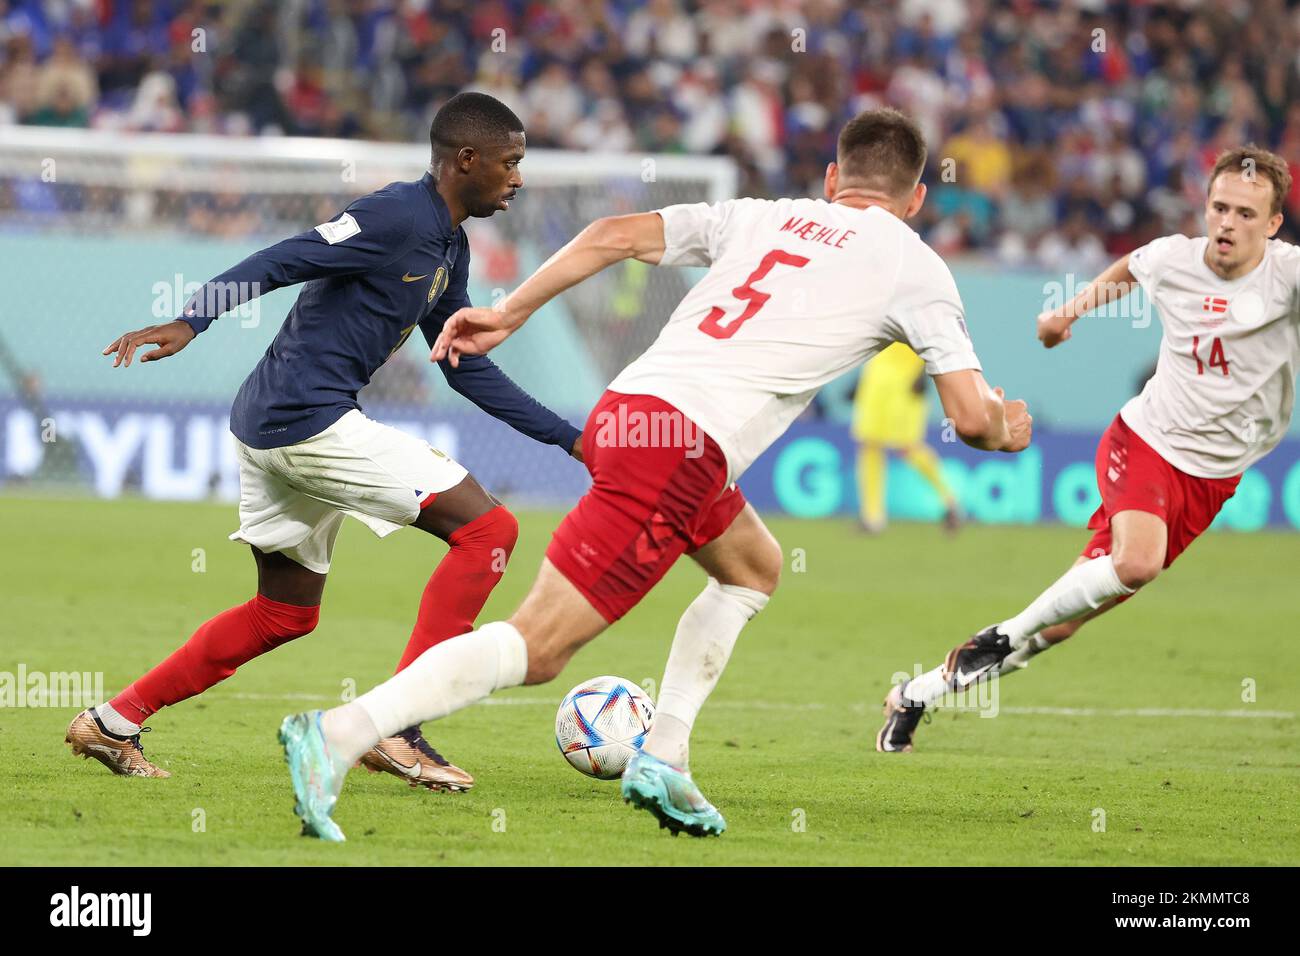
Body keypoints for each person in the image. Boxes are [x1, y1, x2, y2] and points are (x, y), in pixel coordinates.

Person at [278, 107, 1032, 841]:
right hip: (680, 447)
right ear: (918, 199)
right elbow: (970, 419)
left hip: (630, 413)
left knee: (752, 567)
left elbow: (612, 234)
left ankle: (663, 758)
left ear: (833, 178)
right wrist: (1007, 426)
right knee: (539, 648)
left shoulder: (763, 215)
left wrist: (509, 311)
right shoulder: (917, 266)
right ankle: (341, 731)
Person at [66, 93, 582, 792]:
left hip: (271, 421)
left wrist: (571, 440)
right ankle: (397, 725)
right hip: (305, 420)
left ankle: (113, 722)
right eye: (510, 162)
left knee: (283, 614)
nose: (518, 177)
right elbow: (285, 257)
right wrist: (195, 320)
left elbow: (463, 368)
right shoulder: (396, 215)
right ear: (467, 160)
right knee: (488, 529)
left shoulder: (447, 246)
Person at [878, 145, 1300, 752]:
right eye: (1219, 208)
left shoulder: (1285, 277)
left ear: (1273, 224)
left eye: (1245, 214)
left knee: (1061, 624)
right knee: (1136, 563)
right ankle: (1000, 634)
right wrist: (1066, 315)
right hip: (1146, 443)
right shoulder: (1175, 260)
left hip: (1212, 481)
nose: (1228, 224)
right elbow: (1130, 267)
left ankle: (916, 695)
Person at [852, 342, 963, 533]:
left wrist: (924, 373)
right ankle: (872, 517)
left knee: (908, 447)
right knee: (869, 445)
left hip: (906, 381)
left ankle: (950, 501)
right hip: (875, 379)